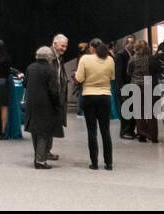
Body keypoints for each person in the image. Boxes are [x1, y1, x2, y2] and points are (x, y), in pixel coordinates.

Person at [74, 39, 116, 170]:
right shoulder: (110, 59)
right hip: (105, 97)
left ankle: (94, 162)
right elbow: (112, 77)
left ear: (92, 48)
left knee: (92, 131)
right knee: (106, 130)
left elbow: (79, 78)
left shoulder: (85, 59)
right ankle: (108, 163)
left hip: (89, 96)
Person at [24, 46, 62, 169]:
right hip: (46, 104)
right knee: (44, 133)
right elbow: (53, 91)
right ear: (49, 57)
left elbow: (25, 83)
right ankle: (40, 161)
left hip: (31, 103)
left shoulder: (30, 68)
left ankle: (38, 157)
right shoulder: (50, 70)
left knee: (35, 131)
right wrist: (57, 104)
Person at [126, 39, 160, 143]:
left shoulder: (132, 59)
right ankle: (153, 135)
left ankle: (142, 135)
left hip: (136, 85)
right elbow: (158, 70)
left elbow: (129, 72)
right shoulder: (152, 59)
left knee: (139, 111)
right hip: (150, 84)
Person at [115, 37, 136, 139]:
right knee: (125, 110)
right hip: (124, 86)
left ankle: (130, 130)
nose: (133, 45)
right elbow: (118, 73)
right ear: (126, 44)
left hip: (131, 86)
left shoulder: (132, 55)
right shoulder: (120, 55)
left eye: (134, 43)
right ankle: (124, 131)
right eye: (131, 43)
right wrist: (121, 87)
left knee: (131, 109)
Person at [51, 34, 69, 149]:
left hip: (56, 96)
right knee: (48, 125)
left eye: (66, 47)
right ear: (55, 43)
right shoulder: (49, 56)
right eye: (62, 46)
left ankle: (47, 151)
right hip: (50, 96)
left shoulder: (59, 57)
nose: (64, 49)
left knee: (52, 125)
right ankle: (44, 153)